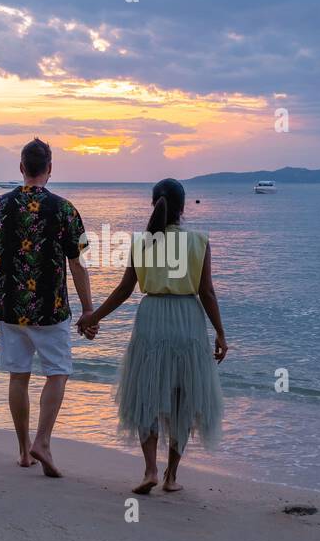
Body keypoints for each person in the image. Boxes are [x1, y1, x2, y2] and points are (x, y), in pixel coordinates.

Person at [79, 178, 227, 494]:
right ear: (183, 207)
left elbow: (123, 290)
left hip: (152, 318)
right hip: (187, 320)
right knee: (183, 396)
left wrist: (94, 317)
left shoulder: (140, 242)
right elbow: (208, 292)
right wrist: (220, 334)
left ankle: (149, 470)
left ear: (153, 203)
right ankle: (172, 477)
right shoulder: (199, 241)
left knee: (147, 391)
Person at [0, 137, 94, 477]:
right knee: (58, 372)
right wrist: (88, 310)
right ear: (50, 169)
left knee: (18, 376)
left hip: (10, 308)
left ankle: (25, 451)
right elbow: (79, 265)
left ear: (22, 168)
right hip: (51, 310)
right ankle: (43, 441)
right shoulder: (66, 209)